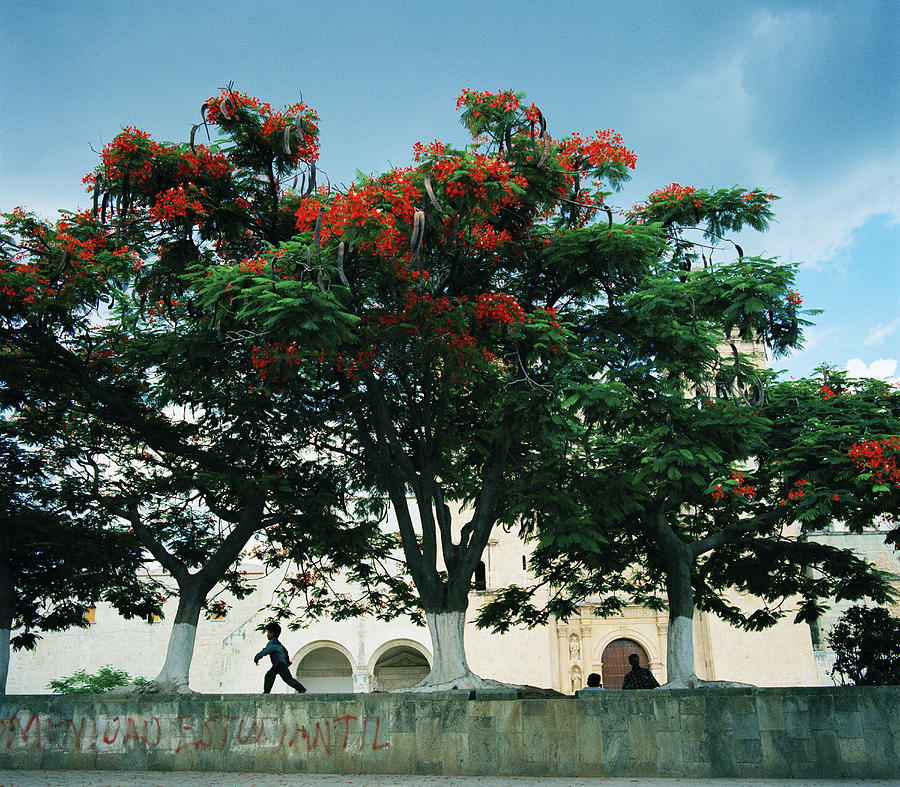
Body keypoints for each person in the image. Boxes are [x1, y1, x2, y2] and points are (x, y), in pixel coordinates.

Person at [254, 621, 306, 694]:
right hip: (280, 664)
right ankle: (301, 689)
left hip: (279, 664)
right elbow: (285, 653)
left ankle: (266, 692)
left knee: (272, 676)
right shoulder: (278, 644)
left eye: (268, 632)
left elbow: (265, 651)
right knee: (283, 678)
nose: (267, 635)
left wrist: (257, 658)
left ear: (272, 633)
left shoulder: (273, 643)